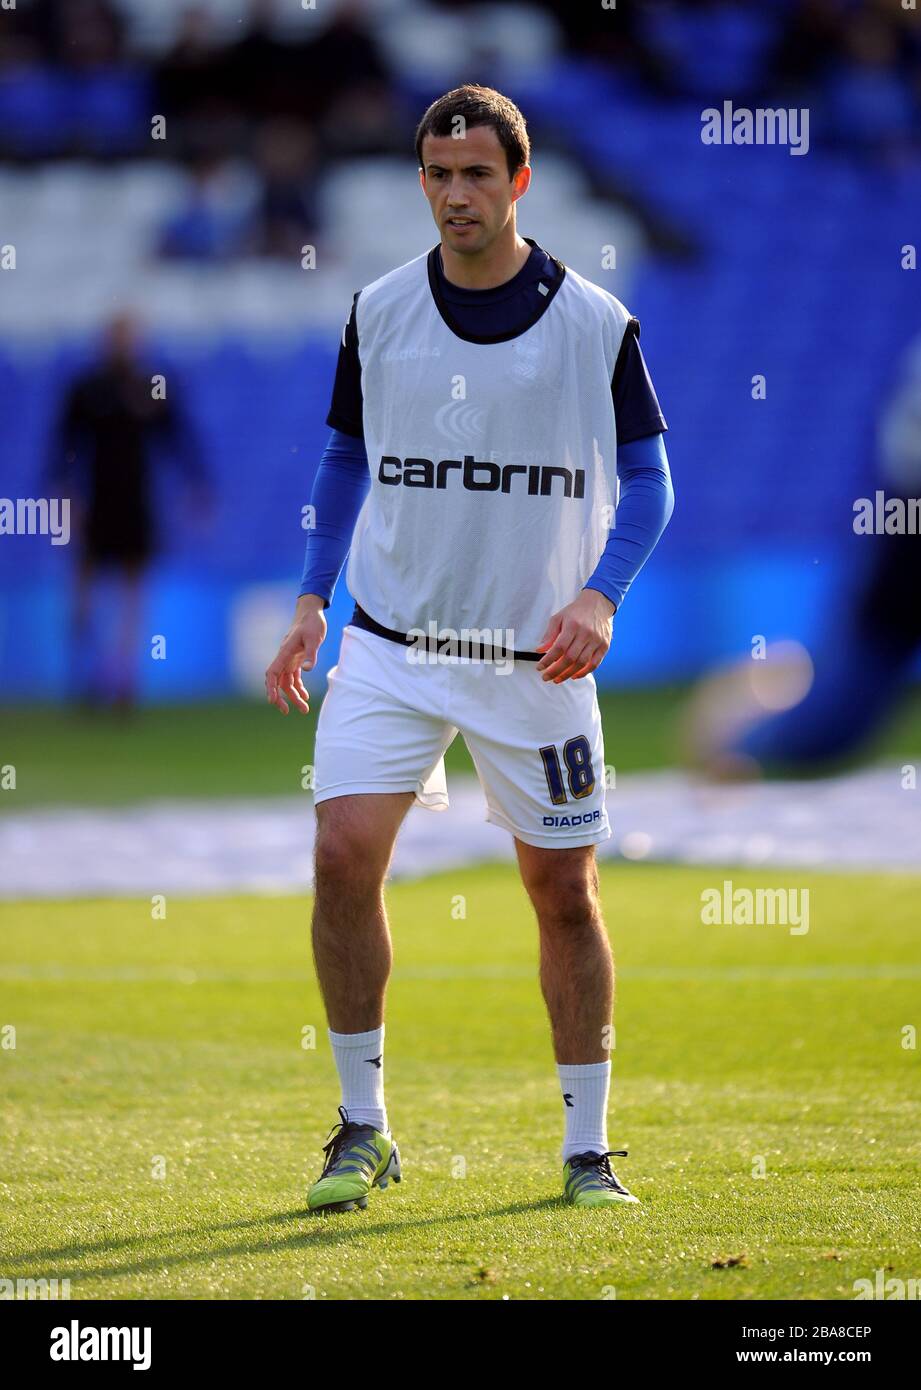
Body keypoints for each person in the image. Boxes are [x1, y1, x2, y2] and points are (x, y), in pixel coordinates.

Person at [265, 86, 674, 1212]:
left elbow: (652, 480)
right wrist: (312, 599)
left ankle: (588, 1149)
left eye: (477, 175)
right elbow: (344, 458)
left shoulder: (595, 320)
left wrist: (601, 595)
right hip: (390, 644)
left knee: (564, 896)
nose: (456, 195)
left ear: (520, 182)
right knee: (343, 856)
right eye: (438, 176)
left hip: (532, 659)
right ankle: (362, 1129)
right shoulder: (381, 309)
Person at [47, 313, 208, 710]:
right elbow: (62, 448)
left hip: (137, 503)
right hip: (96, 502)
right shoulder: (86, 389)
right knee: (85, 593)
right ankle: (84, 673)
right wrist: (66, 498)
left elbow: (179, 439)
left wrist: (198, 485)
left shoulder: (151, 386)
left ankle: (123, 682)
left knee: (134, 593)